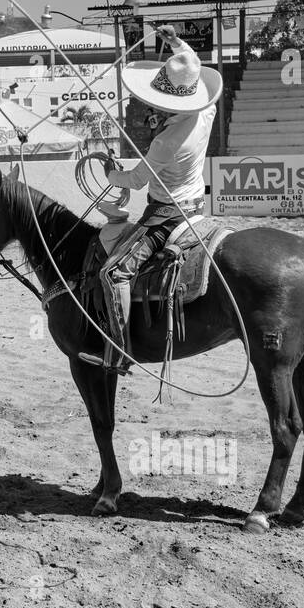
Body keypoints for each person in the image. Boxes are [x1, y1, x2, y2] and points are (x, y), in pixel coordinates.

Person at [84, 25, 222, 374]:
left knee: (114, 273)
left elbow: (136, 179)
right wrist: (174, 42)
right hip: (195, 207)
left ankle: (119, 351)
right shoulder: (207, 112)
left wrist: (110, 174)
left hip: (165, 218)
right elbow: (189, 63)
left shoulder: (166, 142)